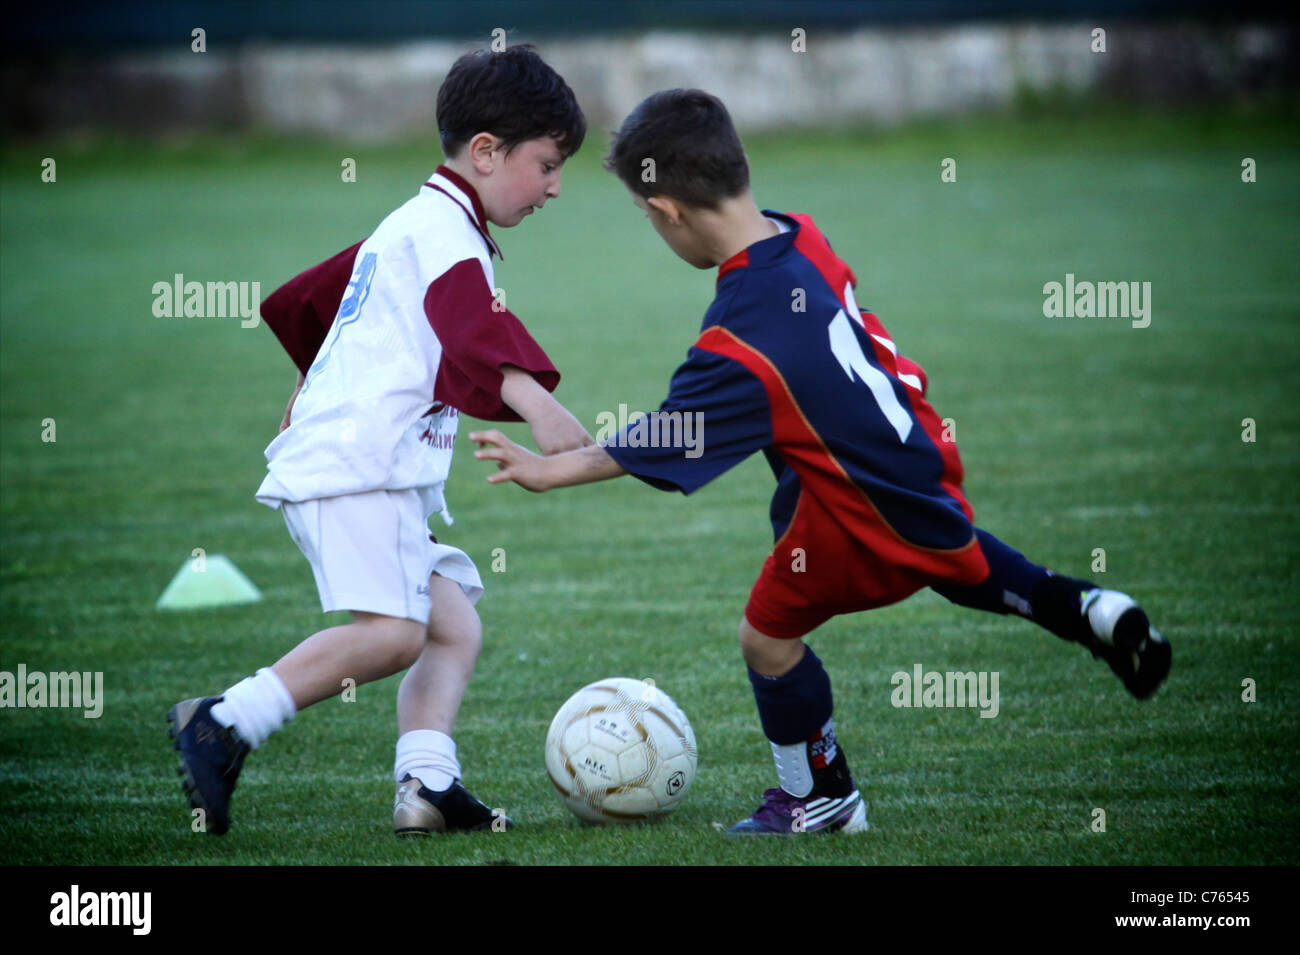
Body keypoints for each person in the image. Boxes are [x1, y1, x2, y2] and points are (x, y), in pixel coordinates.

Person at [469, 88, 1171, 836]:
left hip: (846, 493)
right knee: (950, 553)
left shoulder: (743, 336)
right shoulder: (799, 233)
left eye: (647, 215)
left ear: (669, 208)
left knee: (767, 636)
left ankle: (819, 797)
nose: (654, 227)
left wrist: (552, 469)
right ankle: (1089, 608)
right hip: (907, 441)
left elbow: (674, 433)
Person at [169, 45, 592, 837]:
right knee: (393, 633)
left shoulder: (418, 221)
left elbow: (310, 300)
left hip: (366, 467)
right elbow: (472, 325)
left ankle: (427, 785)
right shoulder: (444, 235)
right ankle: (223, 721)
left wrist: (314, 390)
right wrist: (538, 404)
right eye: (547, 164)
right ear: (487, 152)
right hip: (354, 469)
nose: (556, 187)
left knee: (451, 624)